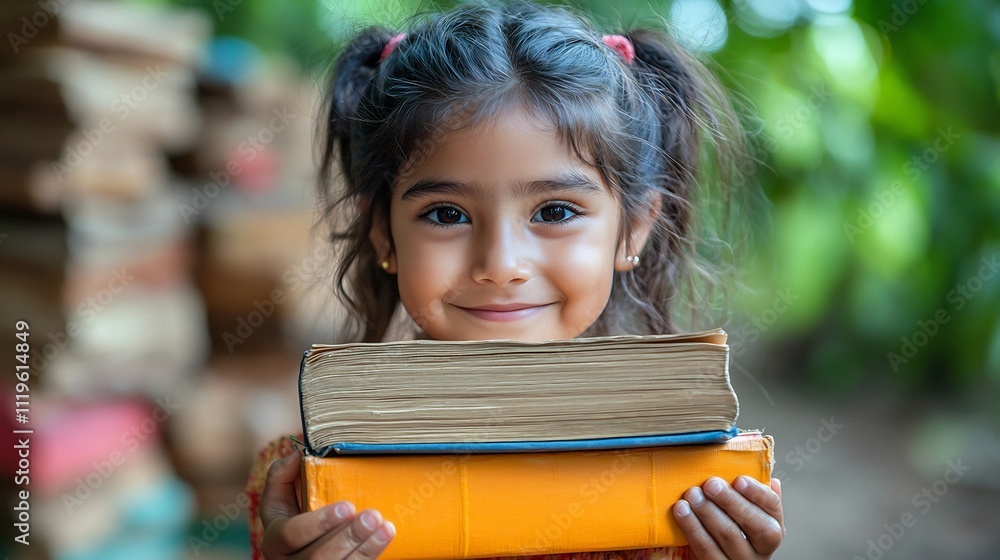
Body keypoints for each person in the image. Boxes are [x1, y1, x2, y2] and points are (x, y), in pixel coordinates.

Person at [247, 2, 783, 559]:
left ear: (633, 230)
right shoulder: (304, 489)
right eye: (446, 214)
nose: (501, 264)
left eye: (554, 212)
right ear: (382, 233)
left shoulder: (695, 481)